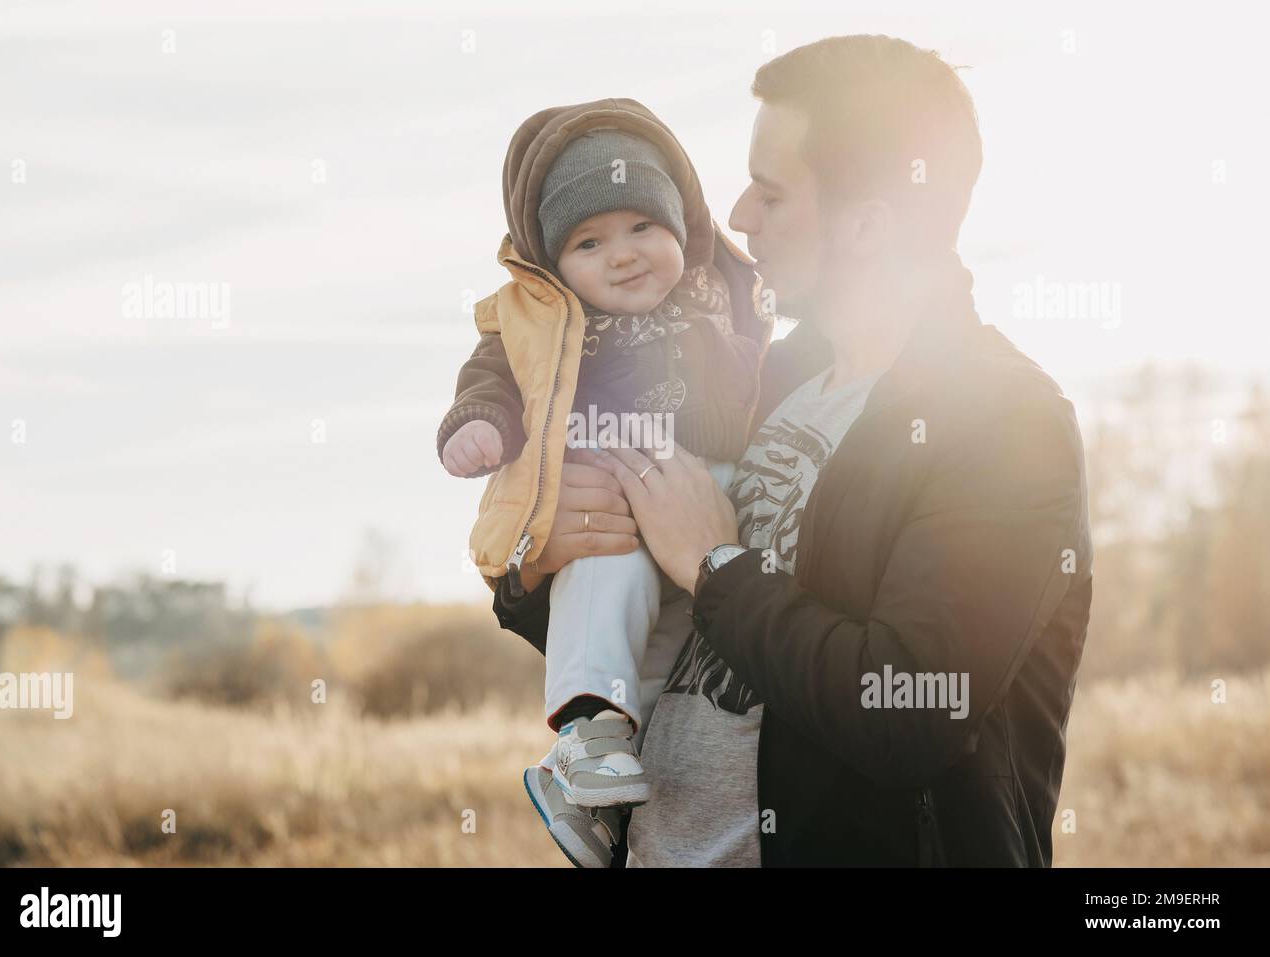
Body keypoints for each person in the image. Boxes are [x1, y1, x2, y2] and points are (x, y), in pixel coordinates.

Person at [492, 35, 1093, 867]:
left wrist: (716, 562)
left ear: (871, 222)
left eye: (771, 193)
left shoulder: (1004, 421)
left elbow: (908, 713)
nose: (737, 216)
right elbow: (649, 619)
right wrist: (532, 561)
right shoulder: (760, 380)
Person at [436, 99, 771, 865]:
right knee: (603, 578)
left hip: (714, 499)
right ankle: (587, 736)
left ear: (682, 226)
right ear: (554, 265)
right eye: (590, 241)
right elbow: (493, 376)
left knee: (665, 673)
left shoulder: (729, 300)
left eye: (643, 228)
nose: (623, 254)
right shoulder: (548, 324)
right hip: (615, 484)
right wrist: (479, 425)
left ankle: (599, 803)